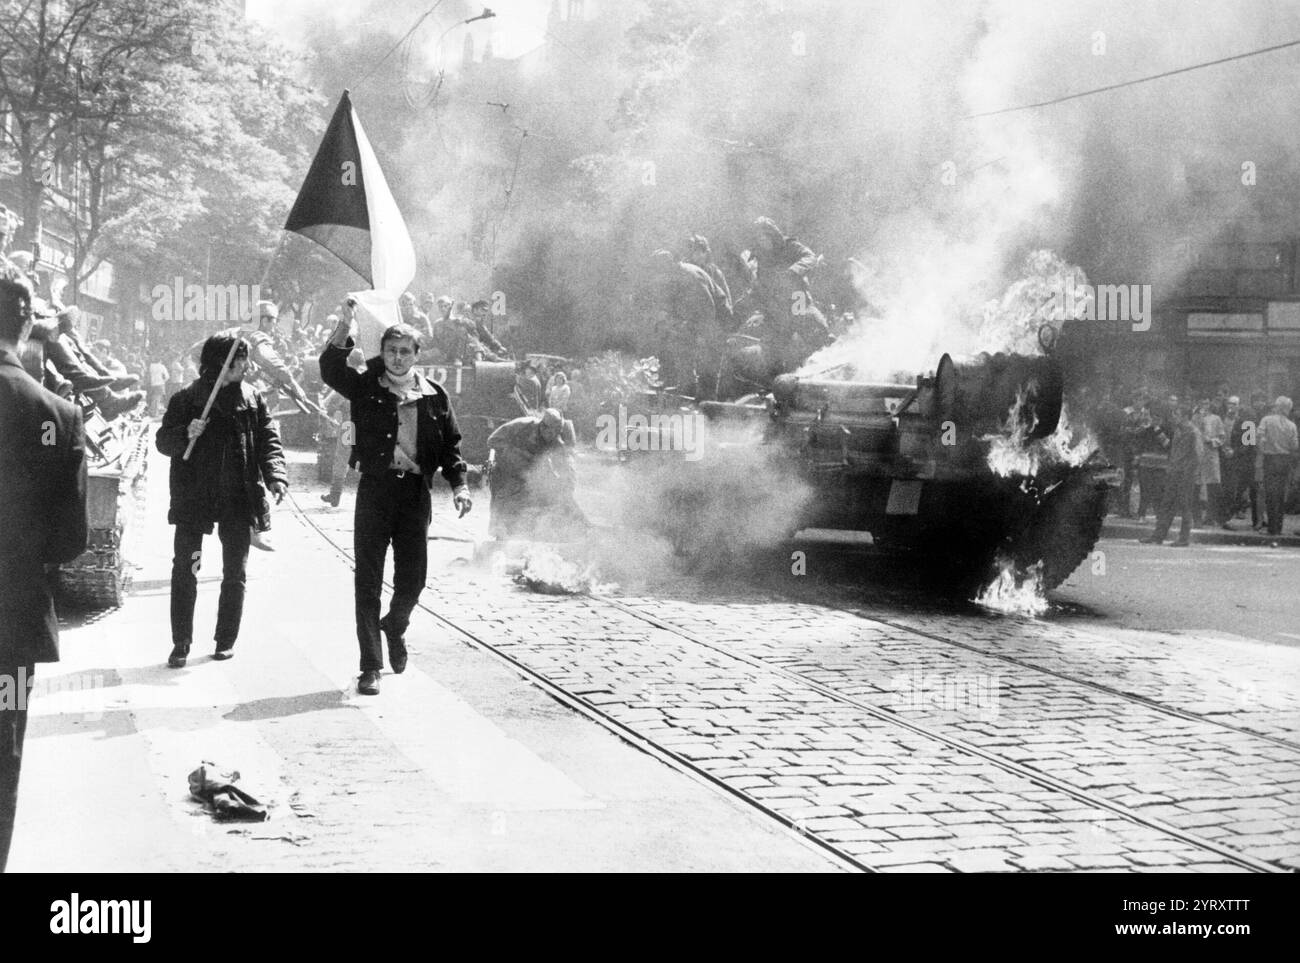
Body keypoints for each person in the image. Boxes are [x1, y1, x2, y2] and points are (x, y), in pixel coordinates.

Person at [320, 310, 472, 696]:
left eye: (405, 351)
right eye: (391, 350)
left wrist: (460, 486)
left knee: (413, 579)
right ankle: (370, 665)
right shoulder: (366, 386)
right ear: (382, 352)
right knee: (367, 580)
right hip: (376, 490)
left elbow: (451, 446)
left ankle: (395, 625)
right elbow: (331, 369)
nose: (398, 358)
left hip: (415, 495)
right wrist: (345, 325)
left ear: (417, 355)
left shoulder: (435, 396)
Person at [0, 265, 88, 871]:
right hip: (14, 619)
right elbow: (70, 540)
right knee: (2, 754)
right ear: (28, 323)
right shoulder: (57, 413)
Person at [155, 333, 288, 668]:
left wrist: (276, 475)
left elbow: (268, 441)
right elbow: (163, 441)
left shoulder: (252, 398)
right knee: (187, 569)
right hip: (194, 498)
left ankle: (225, 640)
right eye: (239, 359)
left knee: (234, 573)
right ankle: (181, 642)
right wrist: (186, 432)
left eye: (245, 358)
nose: (246, 365)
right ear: (220, 363)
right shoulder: (187, 399)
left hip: (237, 498)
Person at [485, 407, 584, 541]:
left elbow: (565, 464)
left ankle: (523, 534)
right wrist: (517, 453)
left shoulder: (554, 441)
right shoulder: (522, 425)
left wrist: (567, 486)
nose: (555, 436)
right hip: (504, 471)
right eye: (552, 432)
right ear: (543, 427)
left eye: (557, 433)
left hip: (525, 474)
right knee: (503, 502)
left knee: (532, 501)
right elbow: (492, 440)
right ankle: (500, 536)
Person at [1141, 404, 1203, 547]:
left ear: (1185, 416)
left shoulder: (1194, 432)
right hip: (1174, 472)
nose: (1174, 417)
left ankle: (1184, 538)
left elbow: (1198, 455)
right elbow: (1172, 449)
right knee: (1166, 504)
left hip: (1185, 474)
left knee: (1185, 505)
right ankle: (1158, 536)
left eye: (1177, 414)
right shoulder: (1178, 430)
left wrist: (1189, 473)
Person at [247, 300, 319, 414]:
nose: (275, 326)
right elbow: (269, 360)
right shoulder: (257, 336)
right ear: (264, 321)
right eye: (274, 321)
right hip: (250, 394)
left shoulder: (241, 334)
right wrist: (294, 385)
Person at [1259, 396, 1298, 536]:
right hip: (1285, 461)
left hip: (1270, 460)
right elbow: (1294, 446)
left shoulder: (1266, 420)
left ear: (1276, 407)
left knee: (1270, 494)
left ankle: (1271, 528)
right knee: (1281, 495)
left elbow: (1259, 437)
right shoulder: (1292, 425)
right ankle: (1279, 528)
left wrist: (1263, 450)